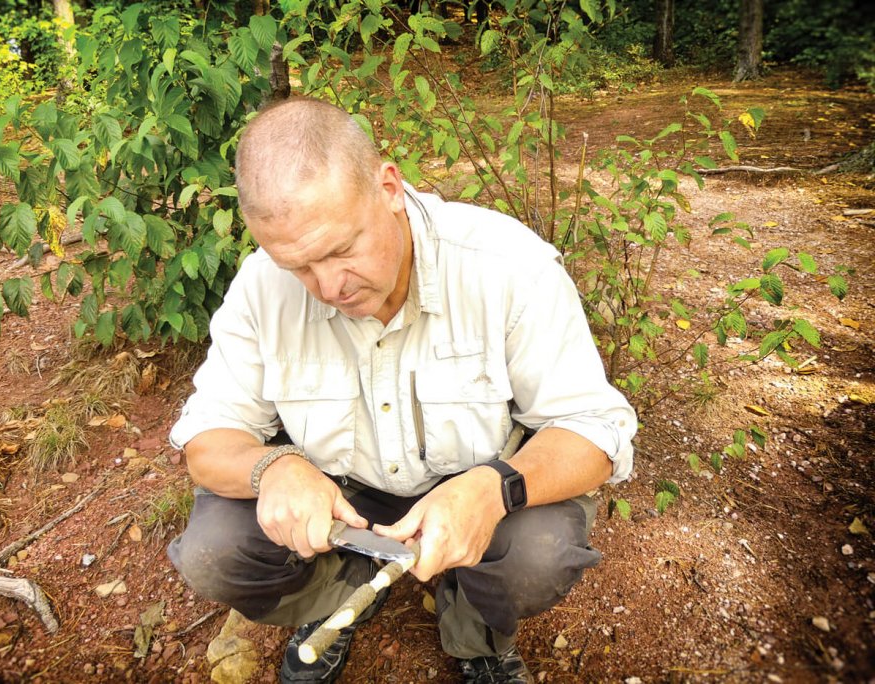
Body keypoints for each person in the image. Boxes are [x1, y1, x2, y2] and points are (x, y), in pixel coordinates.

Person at [168, 97, 636, 684]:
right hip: (339, 492)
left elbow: (594, 432)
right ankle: (336, 602)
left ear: (389, 187)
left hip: (474, 485)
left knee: (539, 555)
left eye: (341, 250)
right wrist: (275, 469)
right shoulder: (261, 286)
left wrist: (492, 491)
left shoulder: (508, 267)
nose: (328, 287)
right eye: (299, 267)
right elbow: (206, 436)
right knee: (215, 550)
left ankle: (475, 630)